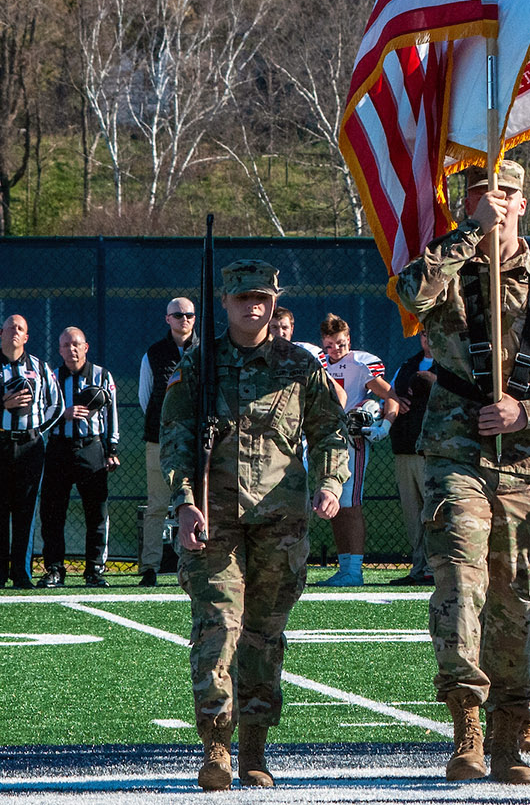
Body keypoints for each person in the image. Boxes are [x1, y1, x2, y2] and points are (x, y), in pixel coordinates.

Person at [393, 159, 530, 785]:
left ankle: (513, 733)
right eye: (483, 194)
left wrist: (528, 411)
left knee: (516, 596)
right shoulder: (448, 267)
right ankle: (467, 724)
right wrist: (466, 237)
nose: (496, 203)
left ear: (523, 202)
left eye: (506, 194)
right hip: (458, 452)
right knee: (461, 584)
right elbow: (410, 295)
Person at [161, 259, 350, 791]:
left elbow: (330, 433)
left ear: (274, 301)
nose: (254, 306)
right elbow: (174, 437)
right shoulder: (198, 366)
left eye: (263, 298)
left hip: (280, 522)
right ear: (225, 302)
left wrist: (331, 484)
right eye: (243, 298)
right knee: (218, 628)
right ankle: (217, 747)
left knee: (264, 636)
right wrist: (182, 502)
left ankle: (254, 747)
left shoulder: (300, 366)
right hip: (211, 519)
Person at [0, 315, 62, 589]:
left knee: (25, 511)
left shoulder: (41, 368)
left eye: (20, 328)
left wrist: (34, 429)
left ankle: (22, 574)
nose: (15, 332)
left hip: (30, 446)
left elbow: (56, 406)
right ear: (0, 332)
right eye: (10, 327)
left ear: (27, 336)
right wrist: (1, 404)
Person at [318, 314, 396, 588]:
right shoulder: (319, 363)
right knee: (334, 505)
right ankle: (344, 568)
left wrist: (383, 423)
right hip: (326, 439)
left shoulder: (360, 365)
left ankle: (355, 570)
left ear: (348, 340)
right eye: (329, 345)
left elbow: (392, 397)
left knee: (350, 504)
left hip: (352, 440)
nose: (335, 350)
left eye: (340, 344)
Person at [40, 327, 119, 588]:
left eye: (76, 344)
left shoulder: (102, 375)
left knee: (96, 511)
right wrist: (63, 414)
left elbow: (111, 415)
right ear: (59, 349)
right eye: (66, 345)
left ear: (86, 347)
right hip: (59, 448)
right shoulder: (50, 377)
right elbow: (39, 415)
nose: (71, 350)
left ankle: (94, 569)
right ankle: (54, 568)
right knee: (53, 512)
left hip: (91, 447)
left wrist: (112, 450)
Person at [139, 297, 195, 587]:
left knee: (196, 503)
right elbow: (144, 397)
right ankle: (149, 567)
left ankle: (196, 563)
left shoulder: (205, 350)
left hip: (197, 442)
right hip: (159, 440)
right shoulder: (154, 353)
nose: (183, 319)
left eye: (188, 315)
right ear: (167, 319)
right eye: (178, 315)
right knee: (158, 505)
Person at [388, 334, 435, 586]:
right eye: (424, 334)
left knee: (434, 513)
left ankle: (435, 568)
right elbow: (389, 394)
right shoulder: (408, 365)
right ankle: (419, 567)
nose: (427, 339)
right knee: (412, 514)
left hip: (430, 450)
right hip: (405, 447)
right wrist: (397, 401)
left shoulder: (449, 366)